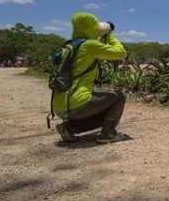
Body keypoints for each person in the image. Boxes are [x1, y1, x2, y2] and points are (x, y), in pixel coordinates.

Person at [53, 12, 127, 143]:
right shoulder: (89, 45)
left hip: (59, 105)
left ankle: (69, 128)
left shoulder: (68, 46)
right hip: (77, 102)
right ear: (90, 29)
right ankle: (108, 134)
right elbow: (121, 53)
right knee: (119, 96)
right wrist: (109, 34)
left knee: (101, 102)